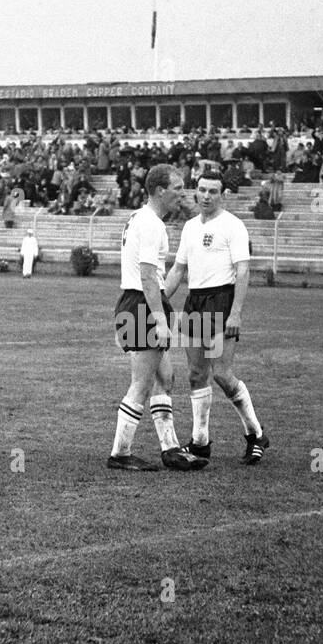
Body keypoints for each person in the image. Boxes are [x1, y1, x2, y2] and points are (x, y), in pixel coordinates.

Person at [108, 163, 208, 472]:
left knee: (166, 378)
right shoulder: (151, 223)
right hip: (142, 305)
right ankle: (120, 453)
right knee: (142, 383)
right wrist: (161, 321)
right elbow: (149, 277)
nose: (183, 193)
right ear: (160, 190)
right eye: (178, 187)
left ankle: (171, 450)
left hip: (138, 303)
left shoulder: (140, 218)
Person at [164, 173, 270, 465]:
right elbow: (177, 269)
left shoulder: (233, 225)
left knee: (222, 374)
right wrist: (159, 301)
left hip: (221, 301)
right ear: (195, 193)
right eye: (201, 190)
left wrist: (236, 312)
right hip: (195, 301)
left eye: (212, 191)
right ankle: (200, 443)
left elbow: (243, 271)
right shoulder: (188, 227)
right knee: (196, 374)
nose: (206, 196)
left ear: (223, 194)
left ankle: (255, 434)